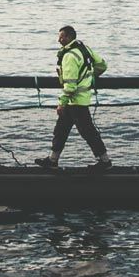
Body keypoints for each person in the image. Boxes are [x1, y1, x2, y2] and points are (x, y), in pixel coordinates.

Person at [35, 23, 109, 169]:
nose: (59, 40)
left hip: (75, 102)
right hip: (79, 99)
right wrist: (89, 77)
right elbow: (102, 65)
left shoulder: (69, 56)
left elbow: (70, 85)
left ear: (69, 37)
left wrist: (62, 102)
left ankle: (105, 162)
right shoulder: (84, 49)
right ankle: (52, 160)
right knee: (61, 131)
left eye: (61, 37)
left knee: (88, 133)